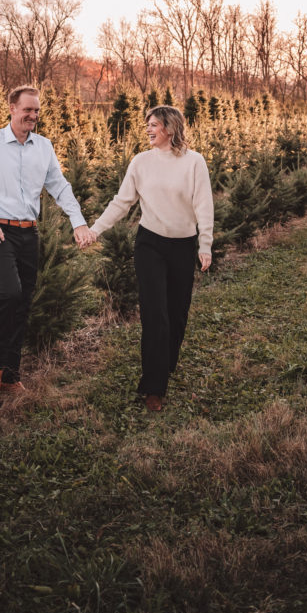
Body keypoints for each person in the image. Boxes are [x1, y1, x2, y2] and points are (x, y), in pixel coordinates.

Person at [0, 84, 93, 397]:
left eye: (36, 110)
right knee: (10, 294)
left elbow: (59, 187)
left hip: (28, 232)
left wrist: (79, 222)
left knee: (23, 302)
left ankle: (11, 376)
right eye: (27, 109)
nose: (32, 115)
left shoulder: (43, 147)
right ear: (12, 108)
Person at [89, 105, 213, 412]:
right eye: (147, 124)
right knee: (155, 314)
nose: (148, 129)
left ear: (170, 128)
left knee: (177, 314)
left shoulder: (194, 162)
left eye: (154, 124)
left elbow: (204, 205)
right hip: (151, 244)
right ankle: (154, 387)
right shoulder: (141, 162)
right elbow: (122, 202)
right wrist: (95, 230)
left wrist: (205, 244)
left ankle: (165, 364)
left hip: (183, 245)